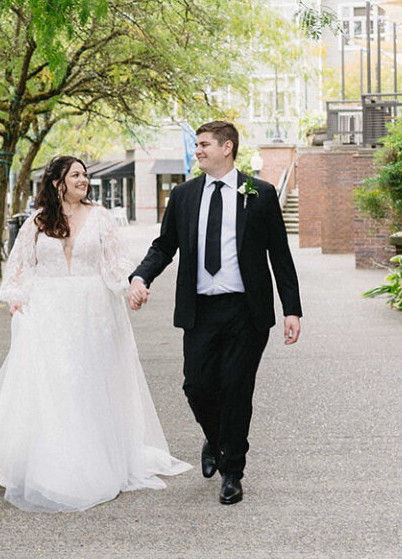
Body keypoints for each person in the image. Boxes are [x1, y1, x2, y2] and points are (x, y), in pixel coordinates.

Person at [0, 155, 191, 512]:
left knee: (86, 384)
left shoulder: (100, 217)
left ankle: (91, 458)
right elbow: (19, 267)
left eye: (85, 175)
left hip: (92, 312)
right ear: (57, 182)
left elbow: (116, 264)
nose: (83, 180)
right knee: (56, 385)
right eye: (76, 175)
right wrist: (16, 300)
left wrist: (130, 288)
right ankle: (52, 460)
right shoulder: (36, 223)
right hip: (48, 312)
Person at [128, 120, 302, 506]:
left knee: (237, 388)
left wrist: (292, 309)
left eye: (204, 144)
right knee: (198, 386)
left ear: (227, 147)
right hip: (200, 310)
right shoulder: (185, 196)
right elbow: (164, 246)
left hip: (246, 309)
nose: (198, 151)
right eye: (197, 145)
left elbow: (280, 256)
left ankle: (232, 471)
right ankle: (216, 437)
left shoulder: (260, 193)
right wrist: (141, 277)